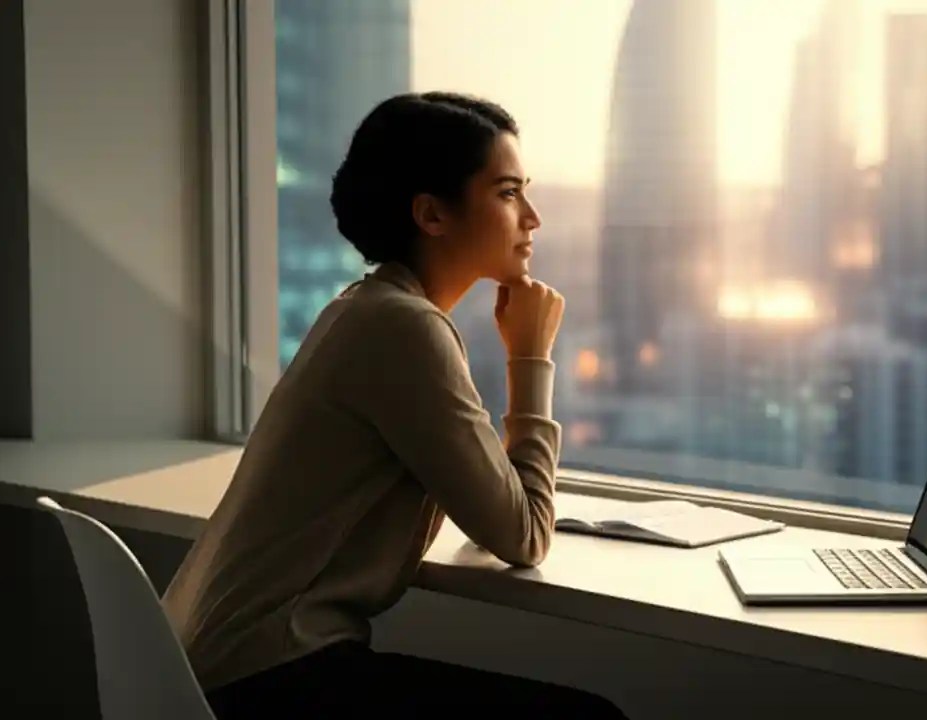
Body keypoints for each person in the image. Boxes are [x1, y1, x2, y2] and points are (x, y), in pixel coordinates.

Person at [162, 92, 626, 718]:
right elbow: (525, 533)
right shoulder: (405, 329)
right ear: (433, 214)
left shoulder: (362, 308)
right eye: (509, 193)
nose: (534, 217)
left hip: (207, 666)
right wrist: (530, 356)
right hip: (266, 677)